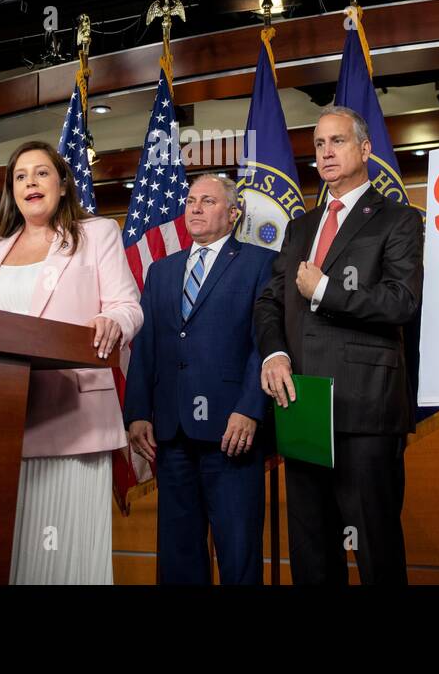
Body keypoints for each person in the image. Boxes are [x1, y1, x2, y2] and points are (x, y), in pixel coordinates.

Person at [254, 106, 422, 585]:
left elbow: (402, 302)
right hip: (302, 406)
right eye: (319, 145)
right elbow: (269, 302)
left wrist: (326, 290)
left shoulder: (399, 220)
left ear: (365, 149)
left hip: (365, 407)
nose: (326, 153)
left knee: (375, 548)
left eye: (338, 141)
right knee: (311, 551)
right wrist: (274, 353)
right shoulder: (301, 227)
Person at [0, 140, 143, 584]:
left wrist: (112, 319)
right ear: (12, 189)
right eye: (21, 175)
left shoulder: (96, 234)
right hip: (5, 417)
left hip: (73, 416)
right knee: (12, 553)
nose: (31, 182)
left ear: (63, 185)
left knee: (68, 555)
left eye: (42, 173)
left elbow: (129, 306)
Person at [124, 173, 275, 584]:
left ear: (233, 213)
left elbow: (264, 346)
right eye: (191, 200)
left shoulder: (260, 263)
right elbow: (146, 345)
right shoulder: (161, 271)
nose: (195, 207)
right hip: (171, 435)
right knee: (178, 554)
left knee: (238, 551)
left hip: (232, 433)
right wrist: (138, 411)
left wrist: (250, 409)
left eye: (208, 201)